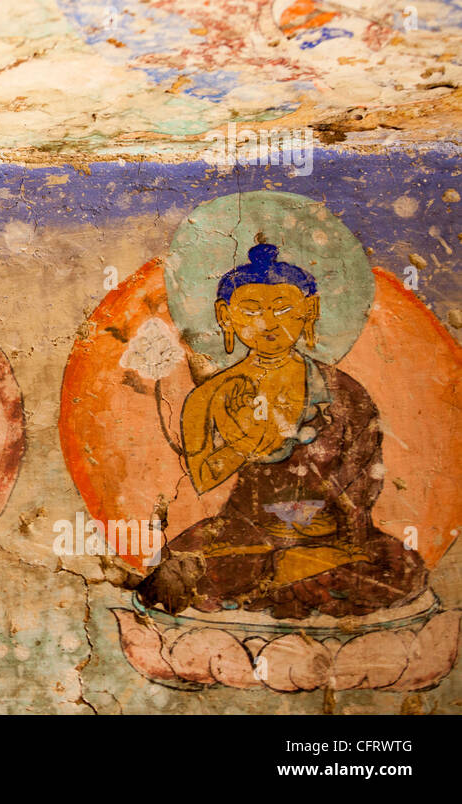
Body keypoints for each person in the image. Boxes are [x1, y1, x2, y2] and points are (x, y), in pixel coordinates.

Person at [137, 242, 427, 619]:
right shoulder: (207, 397)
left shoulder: (343, 392)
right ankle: (288, 578)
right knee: (181, 568)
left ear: (311, 312)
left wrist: (328, 524)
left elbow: (364, 474)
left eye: (284, 309)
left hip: (328, 535)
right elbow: (203, 478)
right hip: (245, 535)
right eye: (251, 310)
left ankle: (292, 574)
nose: (268, 323)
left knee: (399, 570)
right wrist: (244, 444)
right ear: (225, 315)